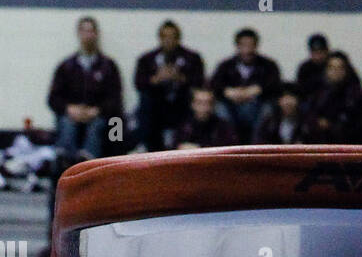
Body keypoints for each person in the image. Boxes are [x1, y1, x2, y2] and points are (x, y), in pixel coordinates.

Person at [47, 17, 123, 159]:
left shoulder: (109, 66)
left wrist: (97, 110)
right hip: (72, 114)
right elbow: (53, 98)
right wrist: (69, 108)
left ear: (96, 34)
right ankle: (65, 159)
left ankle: (88, 158)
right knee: (66, 123)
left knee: (111, 123)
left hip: (99, 114)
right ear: (78, 33)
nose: (87, 35)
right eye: (84, 31)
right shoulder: (66, 66)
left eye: (91, 31)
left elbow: (116, 98)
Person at [133, 20, 205, 151]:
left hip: (182, 103)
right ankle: (148, 147)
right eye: (165, 37)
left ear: (178, 38)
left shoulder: (192, 58)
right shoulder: (146, 59)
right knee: (145, 102)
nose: (168, 40)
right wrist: (156, 79)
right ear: (159, 38)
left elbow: (200, 82)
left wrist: (181, 78)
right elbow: (139, 84)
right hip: (157, 104)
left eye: (172, 37)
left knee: (198, 103)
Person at [210, 29, 281, 142]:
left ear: (256, 46)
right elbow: (214, 84)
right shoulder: (225, 65)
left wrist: (258, 89)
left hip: (257, 107)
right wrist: (228, 92)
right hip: (232, 108)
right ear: (237, 46)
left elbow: (275, 84)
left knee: (268, 109)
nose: (247, 50)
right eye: (243, 45)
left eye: (251, 45)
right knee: (219, 109)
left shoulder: (268, 65)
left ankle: (257, 146)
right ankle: (230, 145)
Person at [299, 52, 362, 144]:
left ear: (346, 70)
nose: (335, 71)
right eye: (331, 67)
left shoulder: (358, 97)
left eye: (340, 68)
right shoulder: (317, 94)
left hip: (350, 146)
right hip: (321, 146)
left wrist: (332, 126)